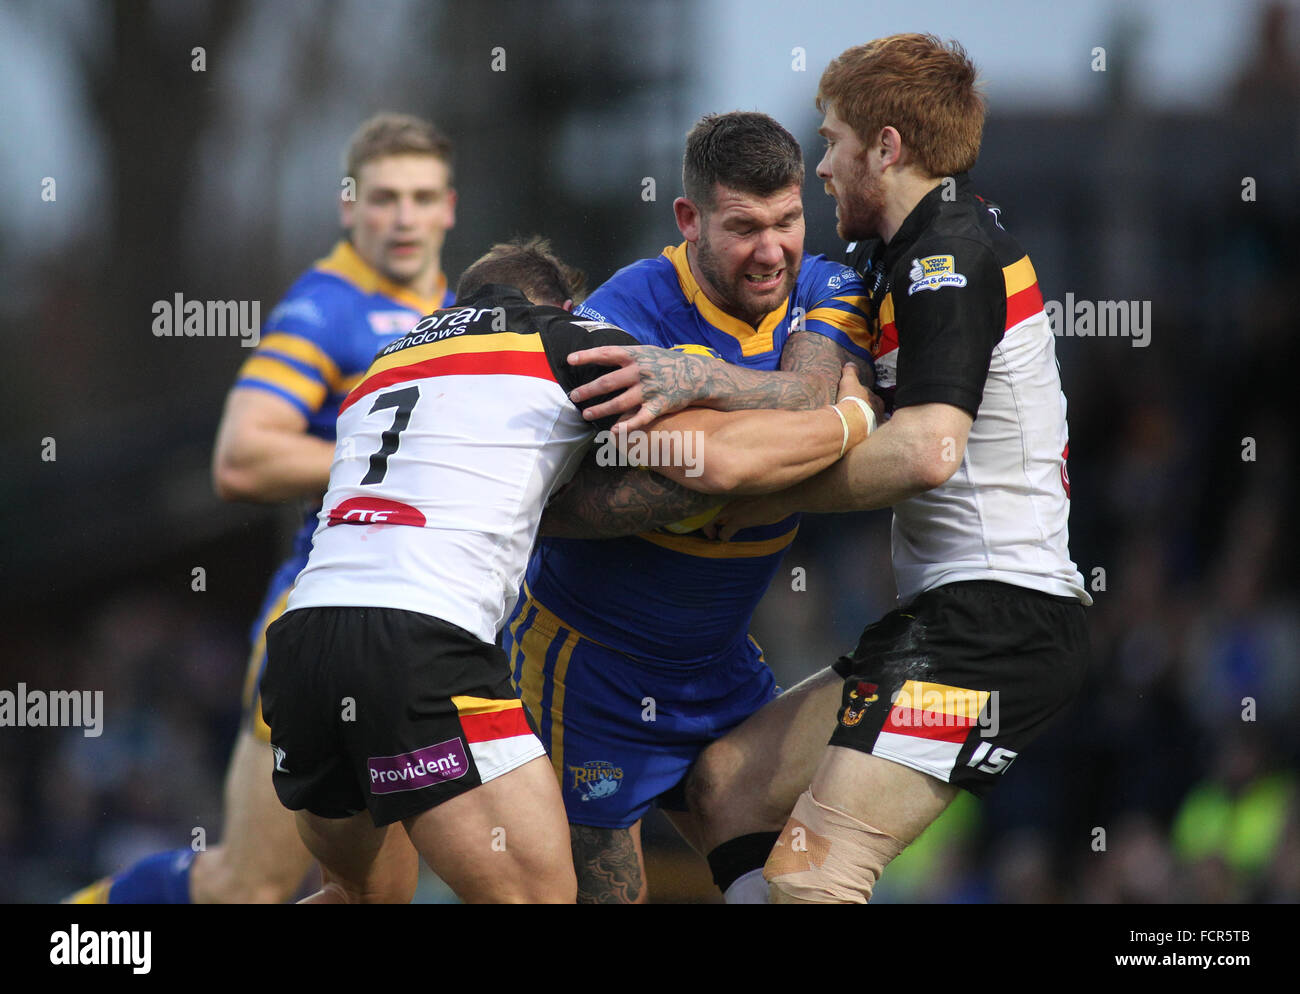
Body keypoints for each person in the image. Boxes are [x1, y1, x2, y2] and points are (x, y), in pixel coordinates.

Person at [570, 34, 1091, 904]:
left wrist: (741, 477)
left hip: (996, 636)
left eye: (833, 139)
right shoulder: (898, 255)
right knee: (728, 783)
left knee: (815, 876)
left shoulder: (947, 256)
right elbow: (815, 399)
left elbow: (927, 449)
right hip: (946, 625)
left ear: (885, 148)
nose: (820, 167)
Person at [260, 237, 877, 903]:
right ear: (563, 304)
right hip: (422, 646)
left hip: (301, 648)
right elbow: (716, 457)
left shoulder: (383, 366)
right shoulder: (561, 336)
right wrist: (850, 418)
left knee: (357, 896)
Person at [66, 112, 459, 904]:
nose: (406, 217)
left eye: (423, 197)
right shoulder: (330, 306)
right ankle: (81, 932)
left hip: (432, 623)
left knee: (385, 892)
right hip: (320, 621)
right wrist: (387, 471)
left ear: (451, 206)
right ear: (350, 207)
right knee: (245, 888)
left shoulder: (452, 307)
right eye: (385, 198)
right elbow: (240, 454)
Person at [506, 111, 878, 903]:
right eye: (744, 228)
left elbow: (813, 393)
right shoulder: (623, 311)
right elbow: (590, 495)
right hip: (592, 666)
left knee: (785, 872)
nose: (773, 251)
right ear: (689, 220)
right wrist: (771, 455)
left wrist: (700, 383)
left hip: (718, 661)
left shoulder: (829, 282)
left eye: (787, 221)